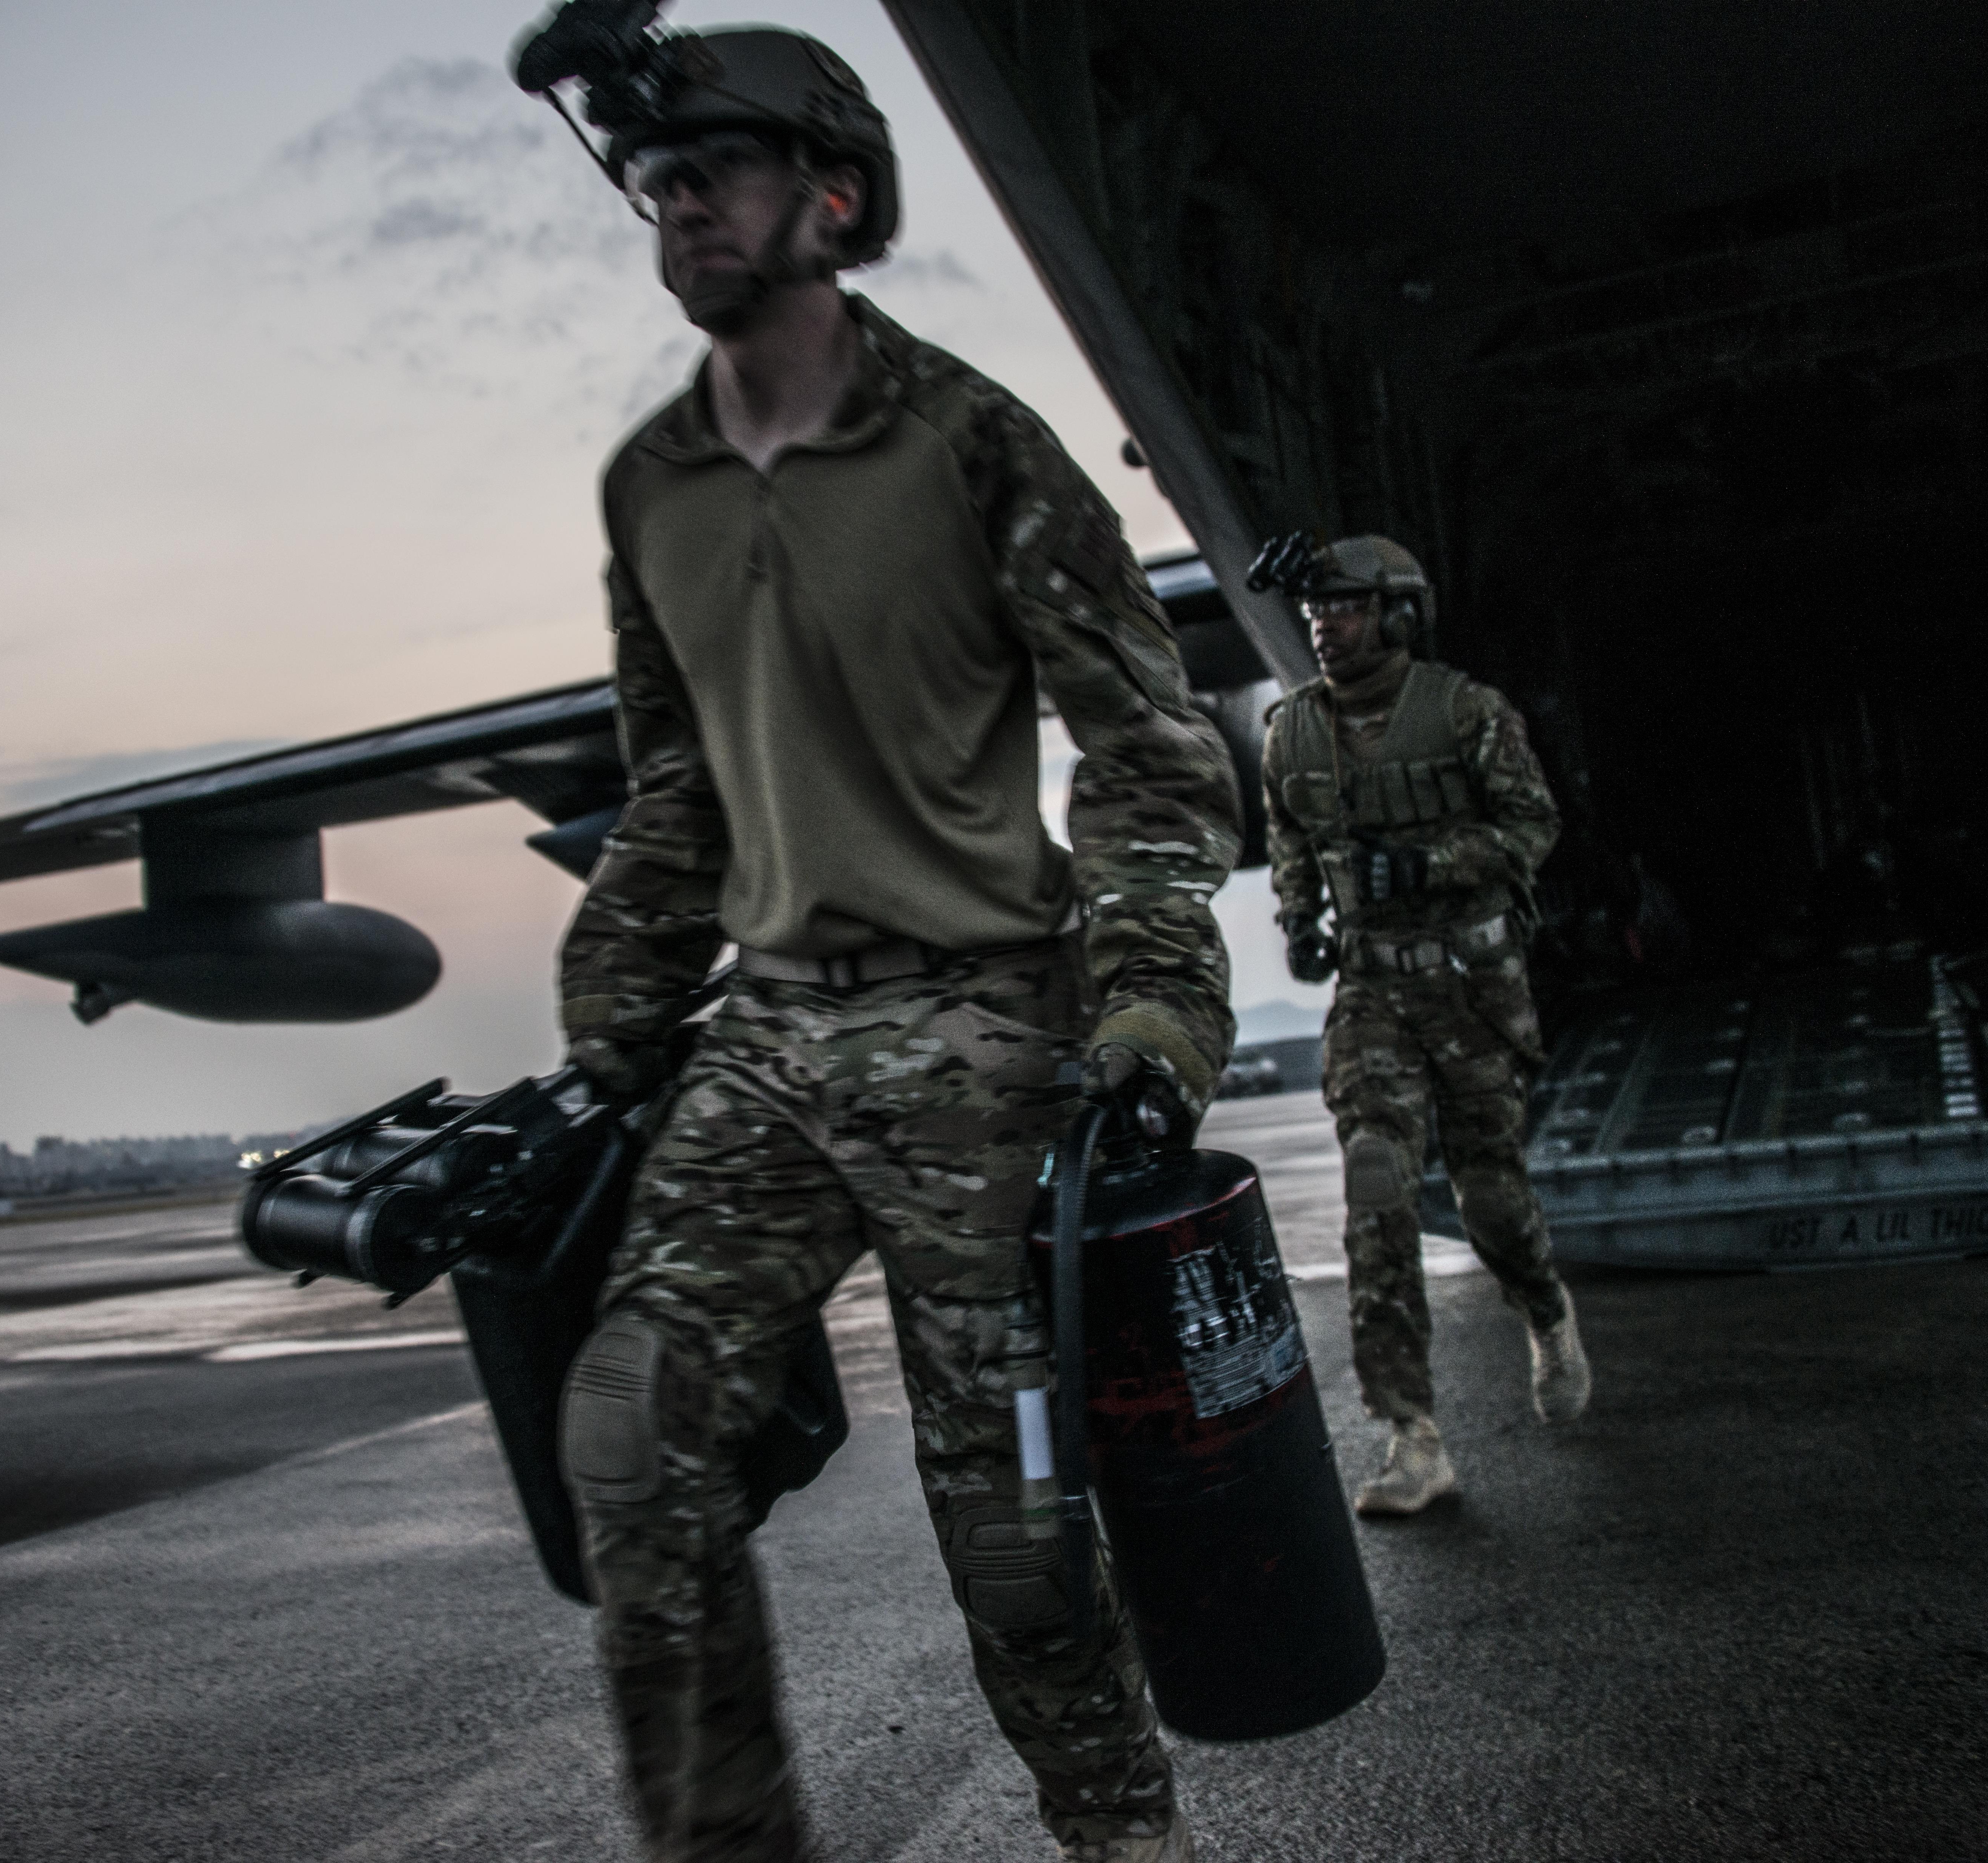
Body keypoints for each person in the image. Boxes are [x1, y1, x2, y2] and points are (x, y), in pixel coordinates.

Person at [537, 24, 1239, 1863]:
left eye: (717, 164)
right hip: (763, 1044)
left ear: (831, 197)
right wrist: (612, 1004)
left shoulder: (973, 442)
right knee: (631, 1444)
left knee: (1012, 1527)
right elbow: (677, 784)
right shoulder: (649, 490)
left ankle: (1118, 1832)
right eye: (657, 175)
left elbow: (1155, 750)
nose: (677, 197)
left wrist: (1156, 1000)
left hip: (983, 1029)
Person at [1254, 535, 1591, 1516]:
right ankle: (1413, 1436)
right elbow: (1289, 839)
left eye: (1346, 608)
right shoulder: (1292, 733)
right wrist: (1297, 919)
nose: (1326, 625)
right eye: (1317, 612)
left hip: (1471, 985)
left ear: (1398, 614)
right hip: (1372, 997)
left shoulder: (1467, 713)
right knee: (1376, 1195)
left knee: (1490, 1199)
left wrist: (1436, 866)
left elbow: (1535, 827)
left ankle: (1544, 1306)